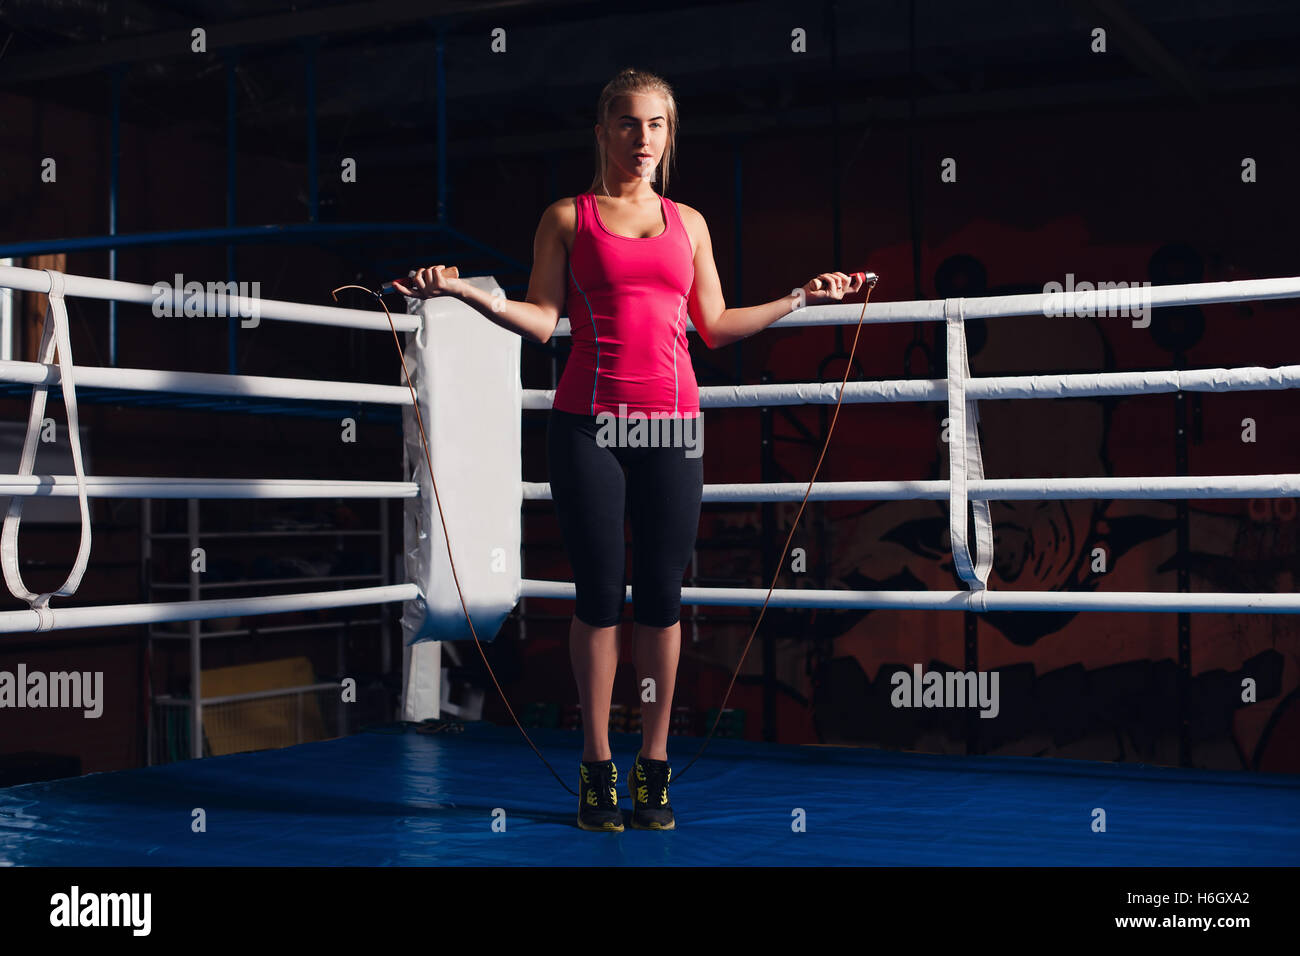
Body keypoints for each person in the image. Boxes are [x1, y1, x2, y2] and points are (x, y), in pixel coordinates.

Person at [395, 67, 862, 832]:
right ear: (603, 130)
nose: (642, 139)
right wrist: (468, 293)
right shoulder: (568, 218)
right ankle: (595, 764)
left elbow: (712, 325)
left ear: (669, 135)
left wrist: (802, 298)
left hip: (673, 424)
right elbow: (543, 319)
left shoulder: (692, 224)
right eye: (628, 123)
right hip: (588, 424)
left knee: (663, 596)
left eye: (656, 126)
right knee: (600, 596)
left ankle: (654, 765)